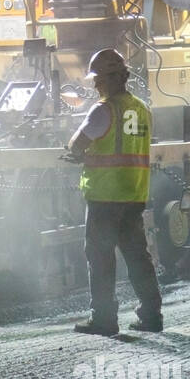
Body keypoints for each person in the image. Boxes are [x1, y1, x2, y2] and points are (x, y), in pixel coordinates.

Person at [64, 48, 163, 335]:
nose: (95, 84)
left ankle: (104, 319)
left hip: (105, 196)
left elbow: (76, 145)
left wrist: (81, 152)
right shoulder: (142, 109)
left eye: (98, 79)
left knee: (101, 257)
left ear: (110, 78)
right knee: (137, 257)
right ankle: (151, 315)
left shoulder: (103, 110)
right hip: (133, 195)